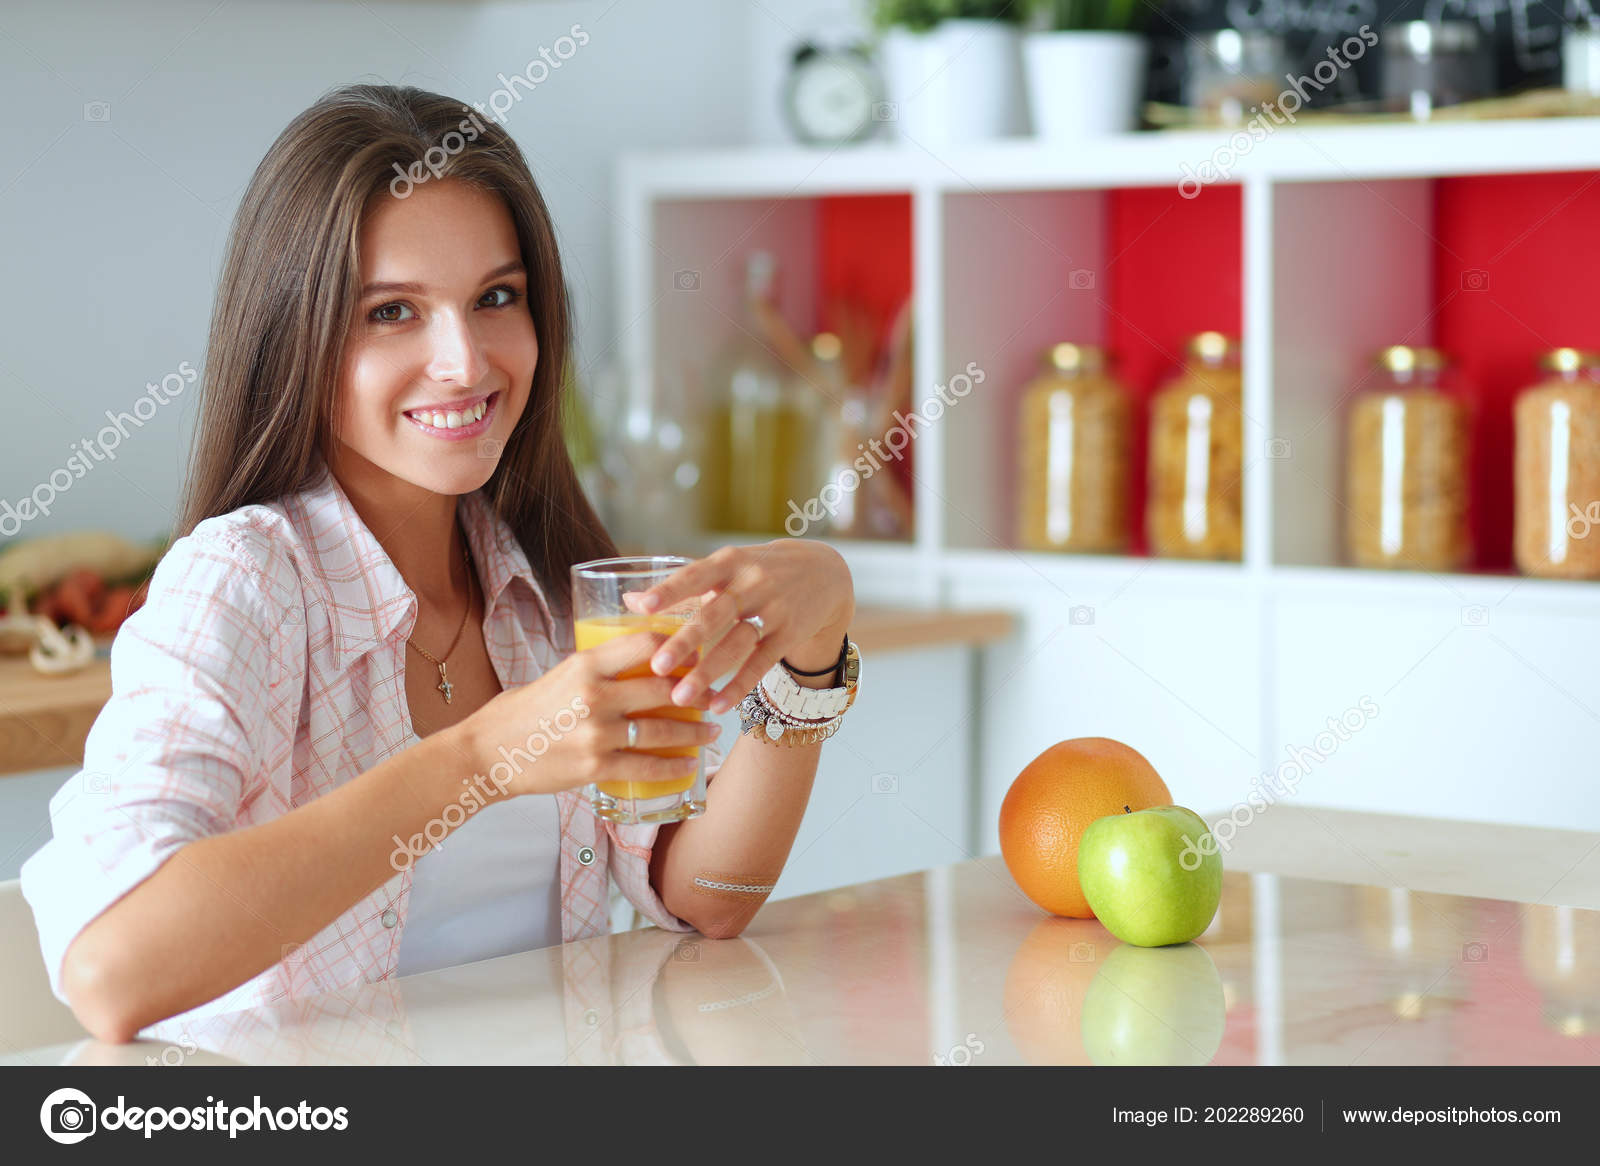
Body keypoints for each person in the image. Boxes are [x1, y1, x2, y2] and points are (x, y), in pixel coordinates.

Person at [20, 84, 858, 1046]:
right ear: (296, 337)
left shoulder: (543, 587)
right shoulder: (244, 583)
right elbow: (114, 972)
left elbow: (707, 898)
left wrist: (815, 651)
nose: (464, 361)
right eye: (392, 312)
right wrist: (483, 756)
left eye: (496, 298)